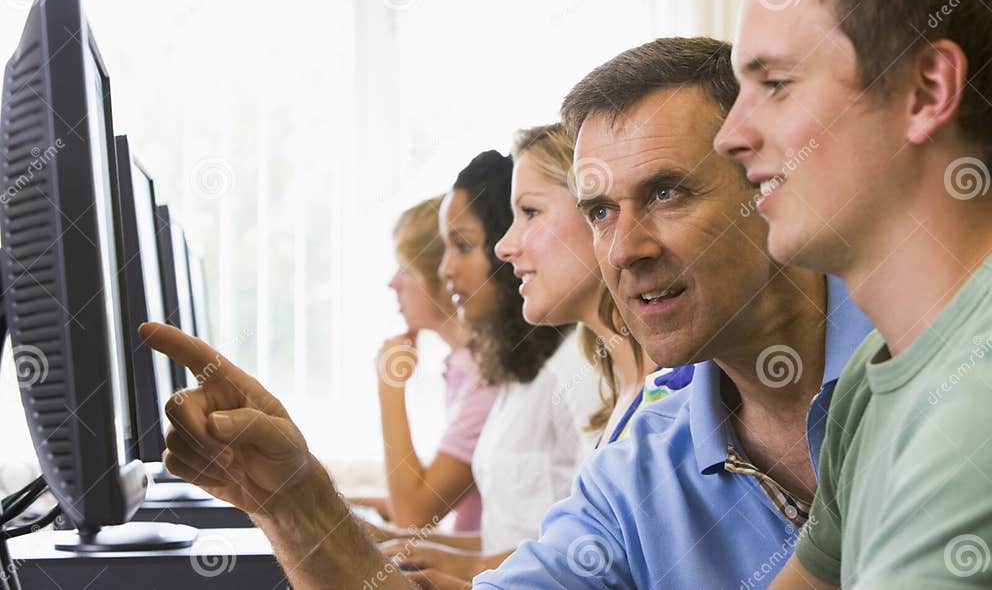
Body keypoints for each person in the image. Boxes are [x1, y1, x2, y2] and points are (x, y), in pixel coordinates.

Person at [139, 37, 872, 590]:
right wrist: (291, 500)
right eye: (598, 213)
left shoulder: (932, 351)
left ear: (773, 185)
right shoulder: (645, 456)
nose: (625, 250)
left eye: (667, 194)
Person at [715, 0, 992, 588]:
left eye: (776, 84)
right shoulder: (872, 378)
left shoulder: (976, 408)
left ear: (926, 91)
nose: (730, 136)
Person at [380, 124, 666, 582]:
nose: (504, 246)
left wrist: (464, 571)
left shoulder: (606, 378)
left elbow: (610, 565)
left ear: (598, 214)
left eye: (531, 213)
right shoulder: (605, 374)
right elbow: (568, 546)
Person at [350, 196, 498, 533]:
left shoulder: (487, 378)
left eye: (406, 269)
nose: (393, 284)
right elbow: (439, 493)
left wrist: (389, 386)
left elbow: (413, 515)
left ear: (443, 276)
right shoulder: (464, 366)